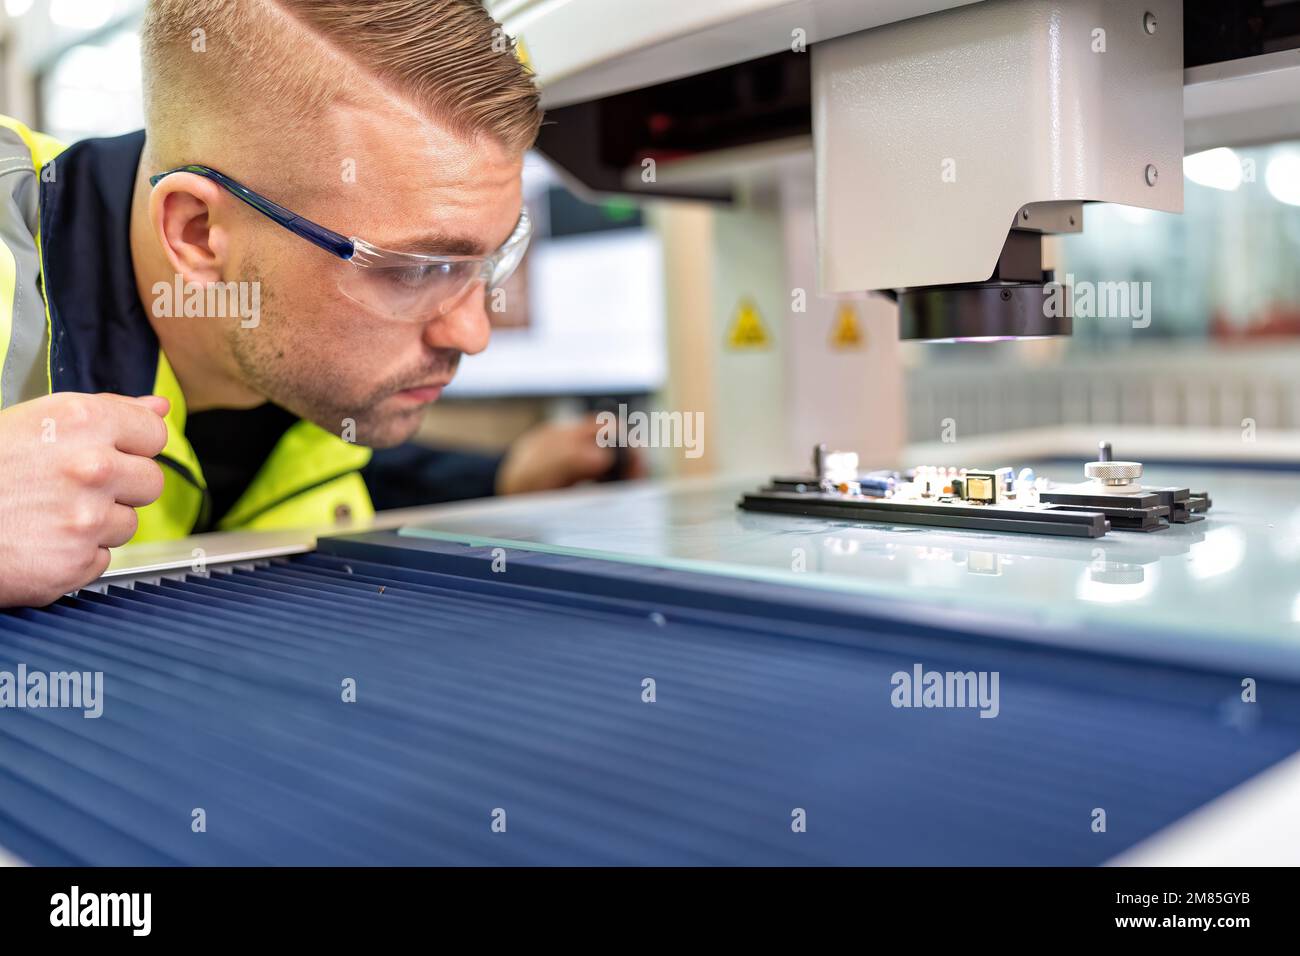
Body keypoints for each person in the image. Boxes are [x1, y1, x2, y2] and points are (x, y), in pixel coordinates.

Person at [0, 0, 618, 608]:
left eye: (492, 257)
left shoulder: (296, 368)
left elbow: (302, 458)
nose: (472, 332)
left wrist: (502, 477)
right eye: (415, 270)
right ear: (196, 233)